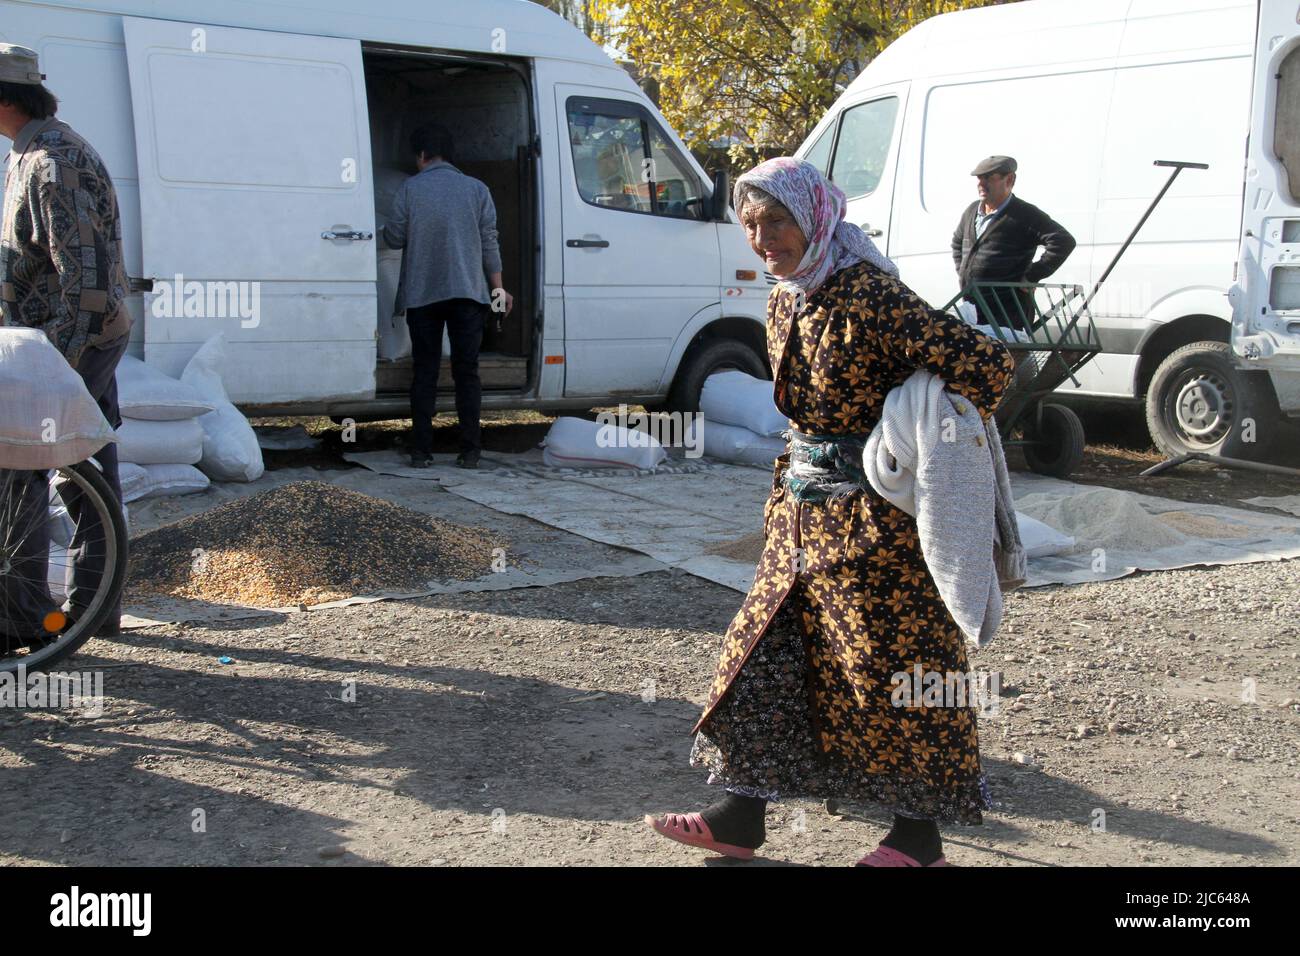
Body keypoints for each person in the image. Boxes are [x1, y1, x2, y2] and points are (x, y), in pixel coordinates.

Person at [645, 157, 1015, 866]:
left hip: (877, 530)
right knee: (762, 654)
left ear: (815, 215)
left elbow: (988, 366)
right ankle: (740, 816)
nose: (763, 239)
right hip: (800, 522)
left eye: (777, 221)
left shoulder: (870, 294)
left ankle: (918, 839)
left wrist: (914, 425)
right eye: (751, 225)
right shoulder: (788, 295)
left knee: (891, 673)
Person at [0, 44, 131, 652]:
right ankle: (91, 611)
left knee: (20, 467)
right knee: (84, 474)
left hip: (67, 340)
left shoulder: (56, 160)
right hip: (49, 339)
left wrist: (59, 371)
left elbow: (88, 284)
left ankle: (28, 622)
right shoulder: (26, 152)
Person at [382, 122, 512, 470]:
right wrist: (497, 286)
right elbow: (489, 240)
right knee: (466, 372)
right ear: (450, 156)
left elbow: (394, 238)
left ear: (422, 155)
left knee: (424, 372)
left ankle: (421, 451)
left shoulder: (410, 189)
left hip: (423, 295)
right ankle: (470, 451)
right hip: (469, 293)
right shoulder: (477, 189)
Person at [951, 155, 1075, 332]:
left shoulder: (1024, 214)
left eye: (989, 178)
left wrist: (1031, 276)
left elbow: (1063, 241)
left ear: (1009, 179)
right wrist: (964, 271)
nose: (981, 184)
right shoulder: (972, 210)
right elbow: (957, 243)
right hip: (974, 311)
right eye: (979, 178)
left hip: (1007, 317)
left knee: (1005, 360)